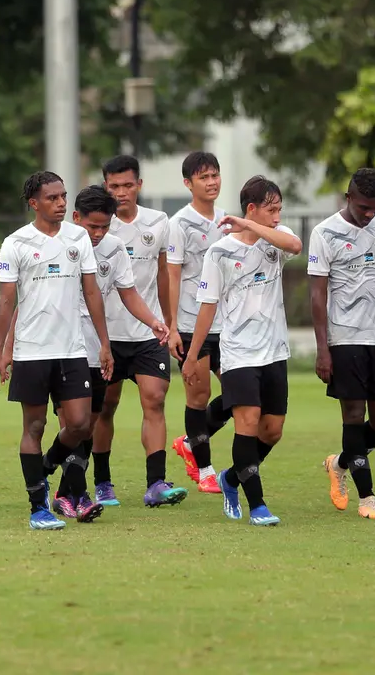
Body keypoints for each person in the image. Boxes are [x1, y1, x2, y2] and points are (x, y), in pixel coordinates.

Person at [25, 185, 170, 517]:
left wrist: (154, 322)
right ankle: (81, 496)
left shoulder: (114, 248)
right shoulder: (57, 246)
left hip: (94, 350)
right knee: (74, 422)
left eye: (105, 226)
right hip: (59, 349)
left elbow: (128, 293)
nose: (99, 233)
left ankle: (56, 480)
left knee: (84, 427)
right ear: (76, 218)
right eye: (93, 226)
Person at [0, 172, 115, 531]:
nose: (61, 203)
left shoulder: (78, 239)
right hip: (31, 352)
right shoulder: (16, 243)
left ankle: (43, 468)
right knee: (36, 424)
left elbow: (92, 293)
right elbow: (7, 301)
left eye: (63, 196)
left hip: (72, 350)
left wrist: (104, 344)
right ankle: (38, 507)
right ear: (34, 203)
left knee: (78, 423)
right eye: (53, 198)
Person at [183, 175, 302, 527]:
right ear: (252, 208)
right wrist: (192, 355)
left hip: (274, 351)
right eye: (271, 210)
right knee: (247, 423)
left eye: (280, 209)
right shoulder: (219, 252)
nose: (278, 216)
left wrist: (253, 224)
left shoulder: (276, 242)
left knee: (272, 431)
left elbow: (295, 246)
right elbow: (207, 306)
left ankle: (232, 478)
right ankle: (258, 504)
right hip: (238, 353)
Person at [309, 168, 375, 521]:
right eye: (363, 207)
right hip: (345, 339)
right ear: (348, 197)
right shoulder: (325, 233)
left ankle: (339, 462)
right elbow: (317, 294)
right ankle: (367, 497)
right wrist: (323, 349)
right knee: (354, 416)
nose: (369, 214)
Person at [90, 155, 182, 507]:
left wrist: (169, 324)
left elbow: (163, 275)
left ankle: (156, 483)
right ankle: (102, 482)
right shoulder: (98, 227)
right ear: (105, 187)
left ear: (139, 185)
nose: (121, 192)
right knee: (104, 407)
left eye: (127, 185)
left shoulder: (159, 222)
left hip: (148, 332)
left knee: (155, 400)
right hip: (108, 335)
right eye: (114, 186)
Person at [166, 152, 232, 494]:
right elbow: (173, 276)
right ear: (188, 183)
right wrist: (173, 326)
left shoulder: (228, 220)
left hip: (230, 325)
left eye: (215, 175)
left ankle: (190, 443)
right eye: (204, 177)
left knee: (240, 392)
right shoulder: (179, 223)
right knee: (199, 394)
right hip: (194, 325)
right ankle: (206, 469)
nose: (212, 182)